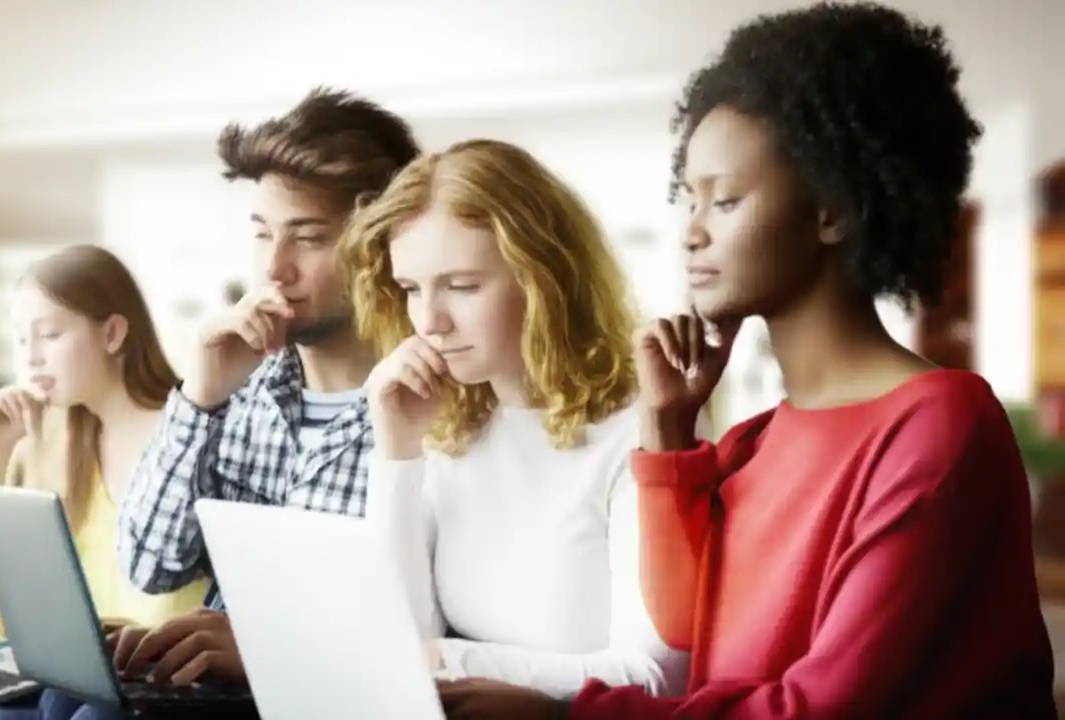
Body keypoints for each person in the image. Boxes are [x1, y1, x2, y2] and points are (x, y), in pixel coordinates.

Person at [434, 3, 1057, 718]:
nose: (691, 233)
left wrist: (560, 713)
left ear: (833, 210)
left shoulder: (941, 424)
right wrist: (667, 425)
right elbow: (678, 633)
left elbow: (822, 709)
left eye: (724, 201)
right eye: (687, 200)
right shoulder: (751, 443)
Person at [50, 88, 421, 719]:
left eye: (307, 238)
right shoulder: (243, 386)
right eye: (262, 235)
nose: (275, 269)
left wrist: (268, 640)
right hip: (213, 686)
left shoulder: (425, 404)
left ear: (382, 246)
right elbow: (150, 565)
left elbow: (421, 617)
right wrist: (202, 396)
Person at [341, 138, 688, 701]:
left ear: (543, 279)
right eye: (410, 289)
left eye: (462, 286)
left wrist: (452, 660)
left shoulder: (642, 433)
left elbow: (655, 679)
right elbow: (397, 642)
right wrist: (397, 454)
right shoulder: (447, 427)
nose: (430, 321)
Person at [0, 245, 207, 719]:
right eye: (22, 341)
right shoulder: (50, 443)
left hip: (140, 673)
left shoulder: (189, 434)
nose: (33, 358)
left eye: (49, 335)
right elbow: (0, 620)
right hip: (54, 669)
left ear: (112, 333)